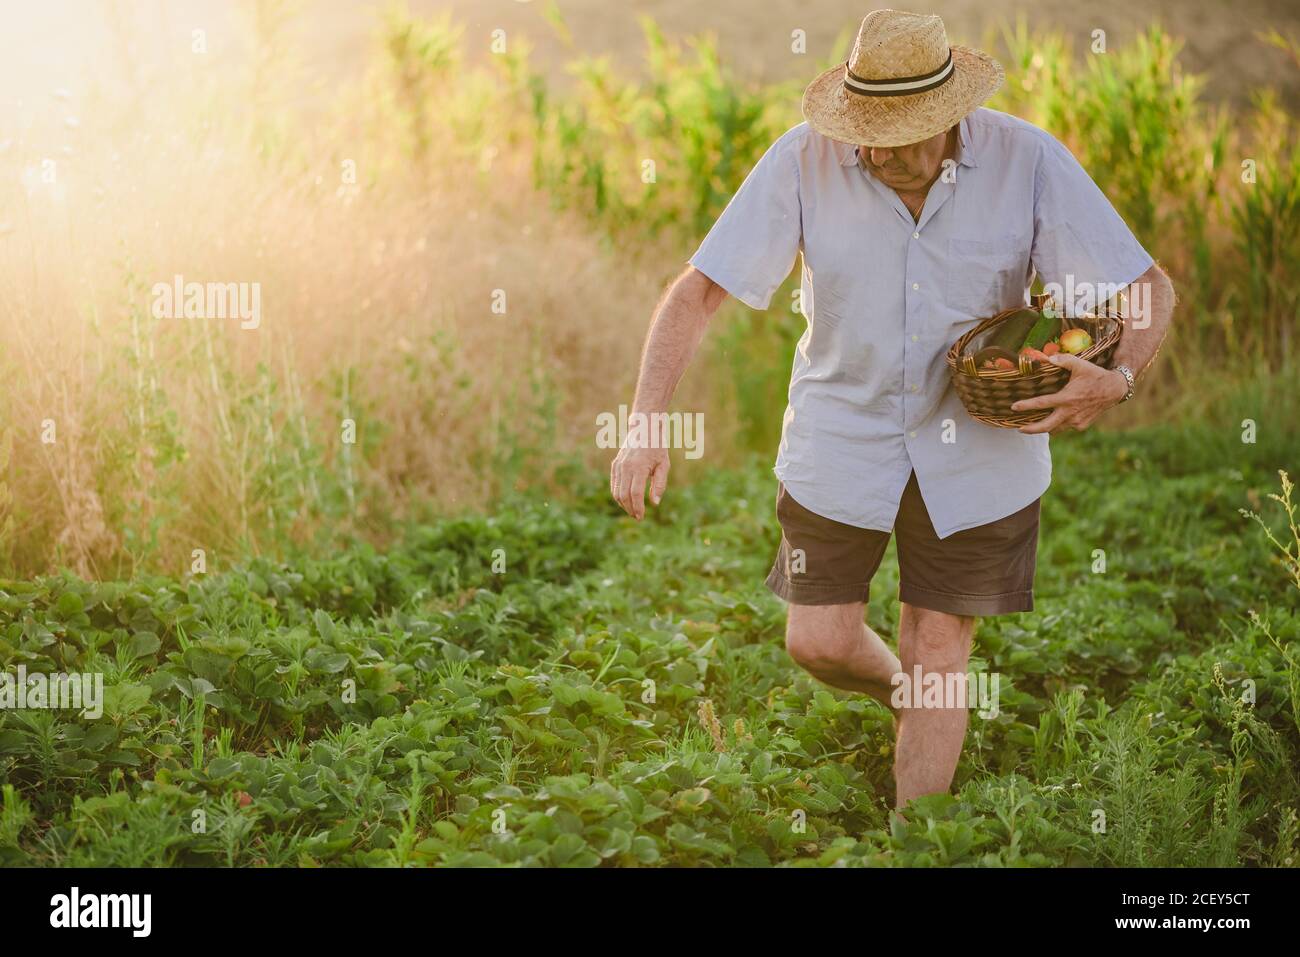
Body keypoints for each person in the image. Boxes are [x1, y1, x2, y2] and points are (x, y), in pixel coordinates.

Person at [609, 9, 1175, 809]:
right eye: (868, 129)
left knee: (939, 644)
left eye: (905, 132)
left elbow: (1147, 288)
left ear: (952, 117)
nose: (880, 152)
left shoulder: (1028, 161)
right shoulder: (804, 161)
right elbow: (697, 292)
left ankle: (919, 838)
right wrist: (646, 422)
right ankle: (918, 703)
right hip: (842, 434)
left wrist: (1115, 379)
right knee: (819, 639)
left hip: (981, 451)